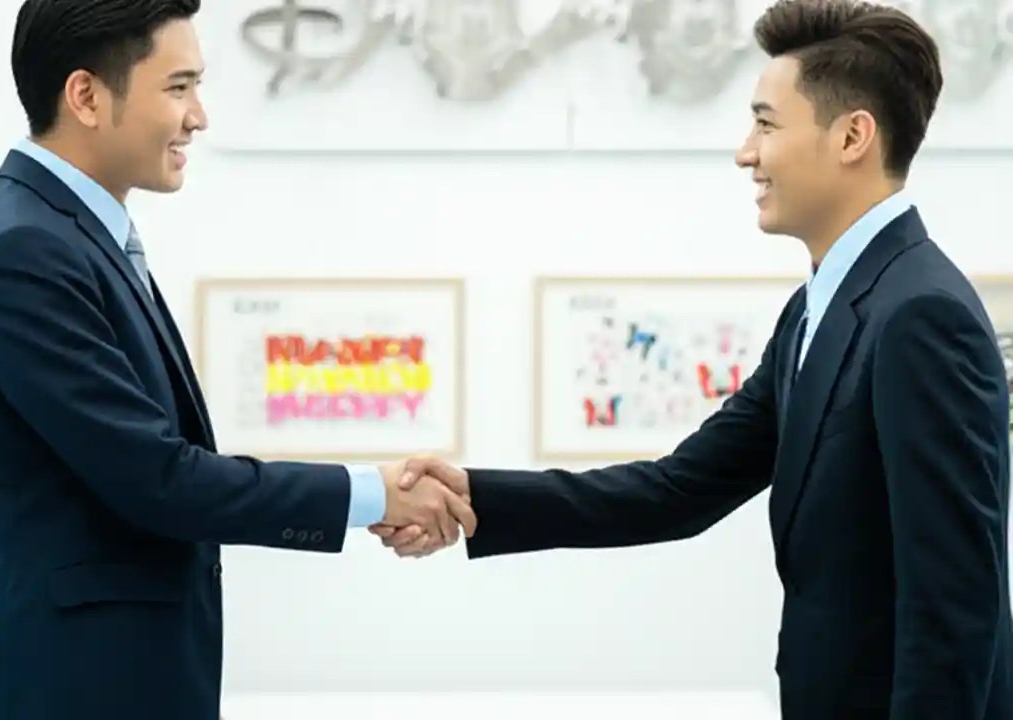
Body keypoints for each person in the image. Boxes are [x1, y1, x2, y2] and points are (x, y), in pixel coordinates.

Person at [375, 1, 1012, 718]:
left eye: (766, 124)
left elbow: (955, 605)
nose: (746, 152)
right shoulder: (818, 311)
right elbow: (679, 490)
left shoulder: (920, 317)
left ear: (852, 136)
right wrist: (473, 497)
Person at [0, 1, 475, 718]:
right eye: (178, 87)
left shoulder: (65, 236)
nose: (200, 117)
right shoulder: (25, 253)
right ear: (87, 96)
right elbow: (158, 479)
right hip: (75, 693)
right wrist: (371, 493)